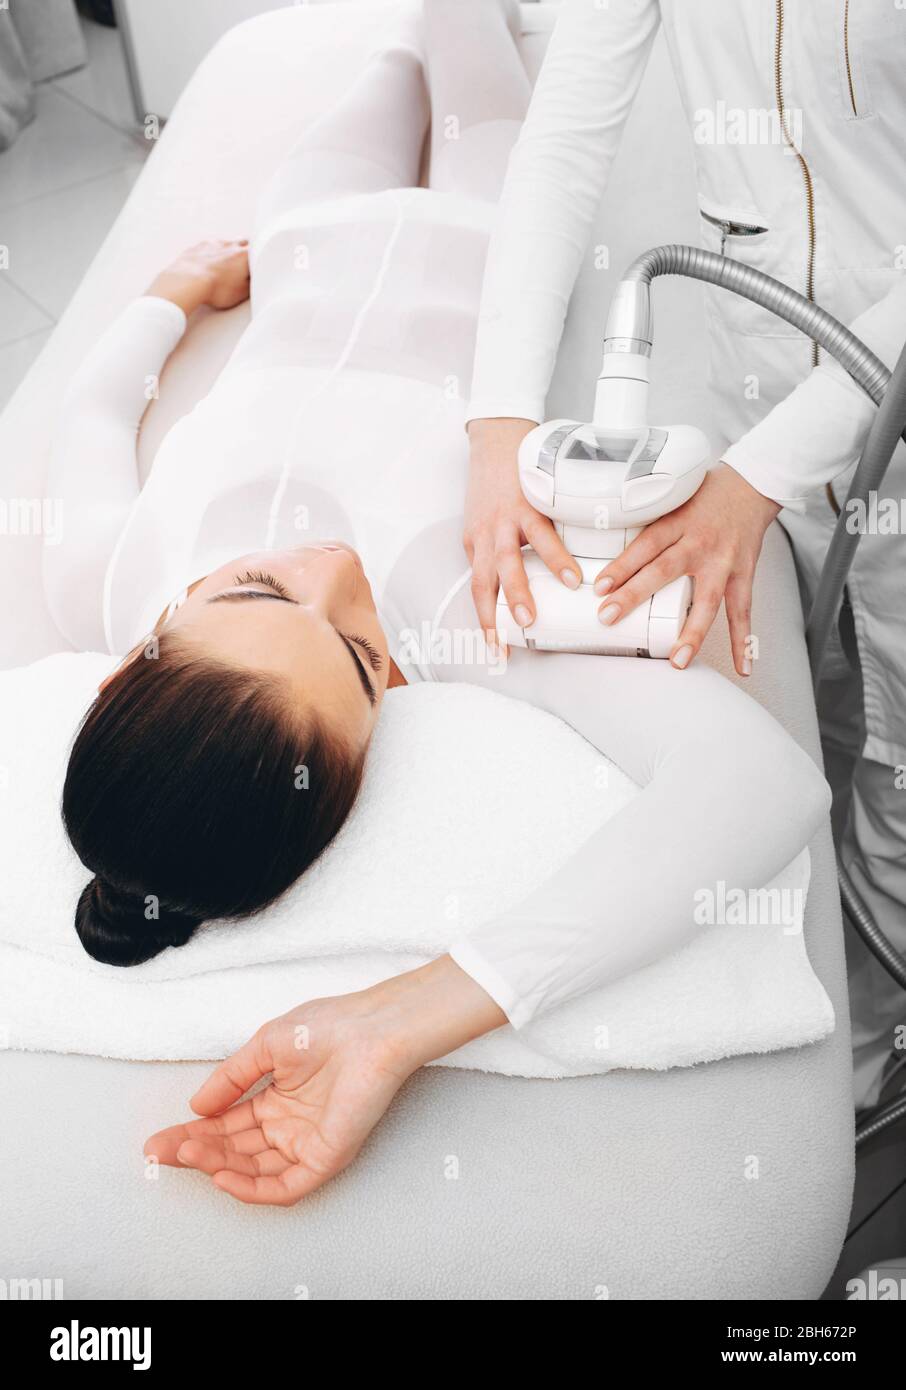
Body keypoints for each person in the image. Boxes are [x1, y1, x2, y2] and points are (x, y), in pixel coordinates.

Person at [47, 0, 828, 1206]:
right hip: (479, 236)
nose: (343, 576)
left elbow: (92, 417)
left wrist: (170, 298)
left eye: (259, 585)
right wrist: (404, 1016)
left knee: (395, 50)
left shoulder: (104, 579)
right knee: (461, 34)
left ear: (131, 657)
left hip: (308, 231)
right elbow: (766, 786)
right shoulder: (462, 603)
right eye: (363, 660)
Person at [464, 0, 906, 1109]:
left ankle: (866, 1041)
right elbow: (566, 134)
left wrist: (762, 475)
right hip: (757, 370)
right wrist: (500, 418)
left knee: (904, 766)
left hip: (866, 389)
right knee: (806, 688)